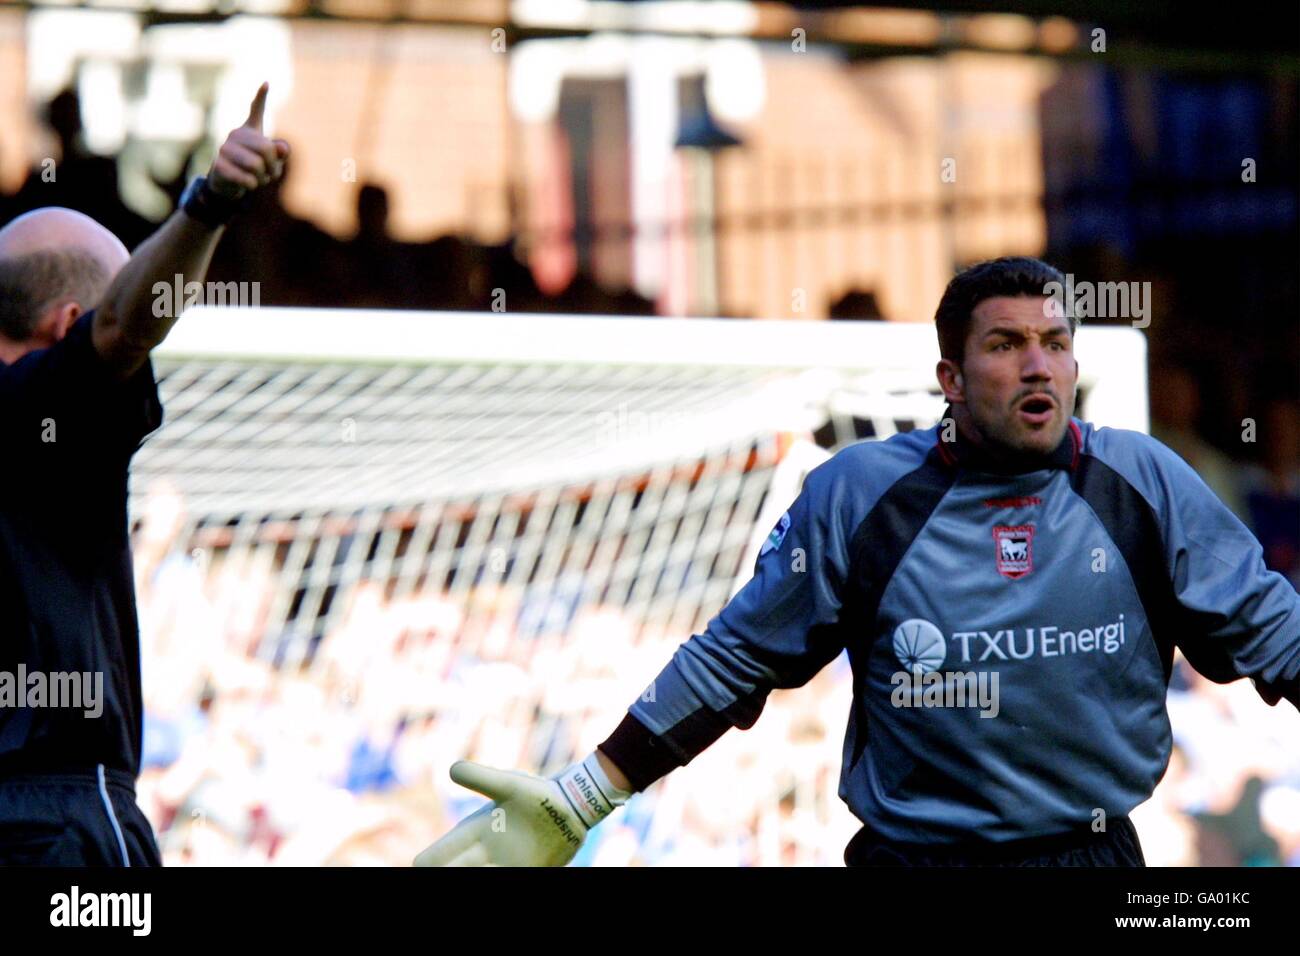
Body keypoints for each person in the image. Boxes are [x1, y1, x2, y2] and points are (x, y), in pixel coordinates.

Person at [414, 256, 1299, 868]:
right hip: (911, 861)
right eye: (1005, 345)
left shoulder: (1141, 481)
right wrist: (584, 796)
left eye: (1056, 342)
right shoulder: (858, 494)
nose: (1040, 364)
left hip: (1092, 853)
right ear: (951, 377)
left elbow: (1275, 628)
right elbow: (737, 657)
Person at [0, 83, 288, 865]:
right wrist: (212, 202)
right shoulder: (41, 405)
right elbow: (128, 322)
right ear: (68, 327)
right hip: (56, 822)